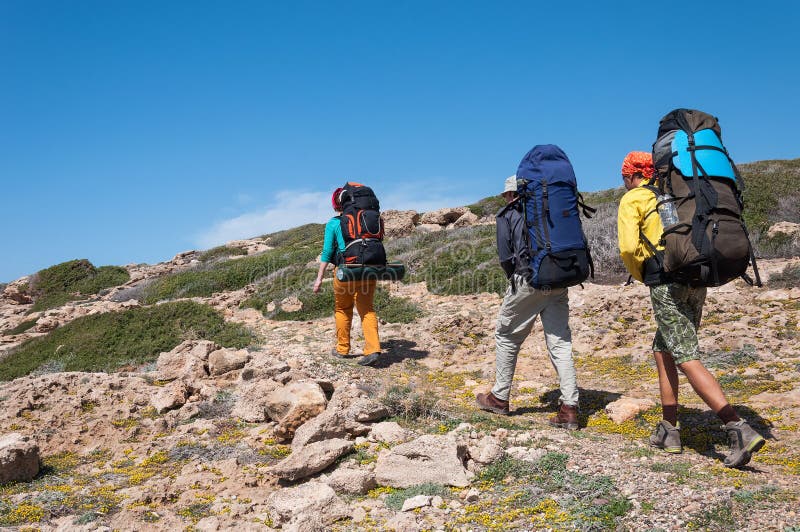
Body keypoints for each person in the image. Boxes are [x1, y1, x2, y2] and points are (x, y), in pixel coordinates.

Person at [617, 151, 765, 467]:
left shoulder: (635, 198)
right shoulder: (671, 195)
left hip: (665, 281)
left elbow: (628, 247)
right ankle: (669, 429)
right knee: (663, 350)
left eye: (624, 177)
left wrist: (643, 273)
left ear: (633, 175)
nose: (624, 182)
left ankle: (737, 427)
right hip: (695, 277)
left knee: (685, 355)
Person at [476, 176, 580, 429]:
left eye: (506, 195)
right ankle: (569, 408)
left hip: (528, 279)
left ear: (511, 194)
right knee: (560, 343)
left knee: (506, 335)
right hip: (559, 280)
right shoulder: (551, 208)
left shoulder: (509, 213)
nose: (505, 199)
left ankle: (499, 397)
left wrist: (514, 278)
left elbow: (505, 256)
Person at [313, 187, 381, 367]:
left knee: (343, 309)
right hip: (369, 269)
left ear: (336, 204)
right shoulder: (368, 219)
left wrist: (319, 278)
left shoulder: (334, 223)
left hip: (346, 271)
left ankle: (342, 349)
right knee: (367, 309)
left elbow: (327, 252)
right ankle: (373, 349)